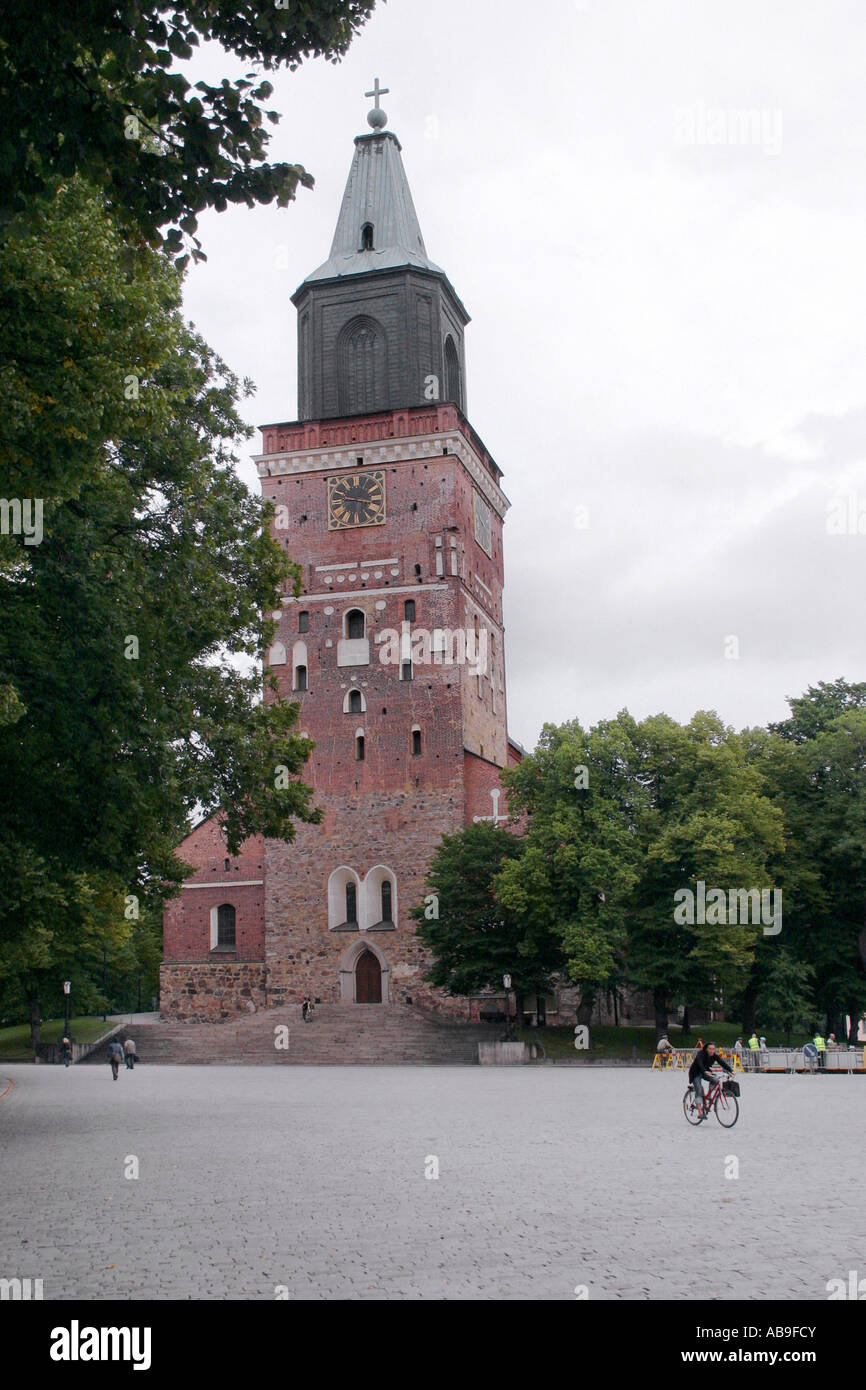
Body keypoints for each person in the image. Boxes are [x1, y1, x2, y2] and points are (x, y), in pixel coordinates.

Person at [688, 1041, 734, 1119]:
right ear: (706, 1049)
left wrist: (731, 1070)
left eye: (713, 1049)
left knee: (716, 1080)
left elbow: (722, 1062)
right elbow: (699, 1063)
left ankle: (708, 1096)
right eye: (710, 1049)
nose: (711, 1051)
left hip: (706, 1072)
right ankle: (700, 1112)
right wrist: (704, 1070)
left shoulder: (714, 1056)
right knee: (699, 1090)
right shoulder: (701, 1054)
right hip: (695, 1073)